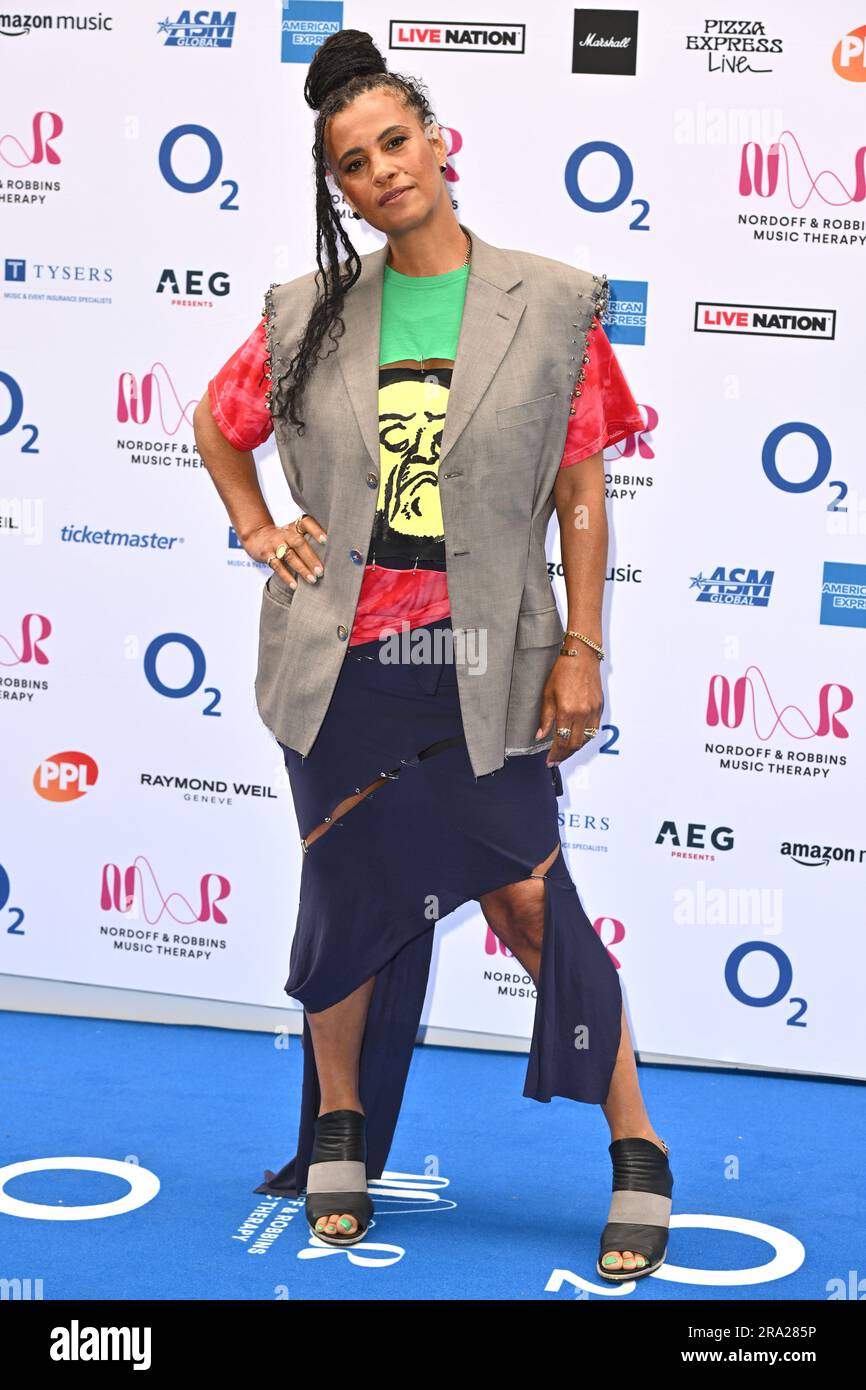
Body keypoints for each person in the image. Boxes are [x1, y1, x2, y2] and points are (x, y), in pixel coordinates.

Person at [193, 28, 673, 1282]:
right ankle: (339, 1130)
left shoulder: (551, 300)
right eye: (351, 164)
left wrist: (582, 642)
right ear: (338, 188)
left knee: (529, 902)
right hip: (339, 669)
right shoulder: (307, 312)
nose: (378, 172)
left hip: (487, 661)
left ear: (437, 142)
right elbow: (216, 417)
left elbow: (581, 488)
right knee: (344, 906)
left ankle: (636, 1143)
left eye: (393, 142)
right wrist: (257, 522)